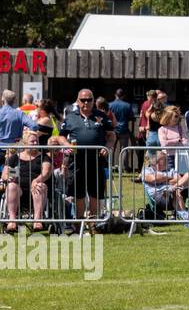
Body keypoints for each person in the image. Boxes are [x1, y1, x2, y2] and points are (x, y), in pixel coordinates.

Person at [50, 89, 115, 232]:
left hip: (96, 160)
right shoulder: (70, 117)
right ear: (78, 101)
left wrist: (107, 147)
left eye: (89, 99)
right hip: (77, 160)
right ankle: (78, 222)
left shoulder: (102, 116)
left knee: (95, 192)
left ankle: (93, 222)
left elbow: (111, 135)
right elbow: (61, 136)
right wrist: (66, 146)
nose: (86, 102)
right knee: (78, 193)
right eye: (83, 100)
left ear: (93, 101)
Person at [4, 127, 51, 232]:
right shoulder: (15, 157)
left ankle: (37, 221)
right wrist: (9, 177)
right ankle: (12, 220)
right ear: (25, 143)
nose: (35, 143)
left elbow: (46, 172)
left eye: (36, 141)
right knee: (11, 186)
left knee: (39, 186)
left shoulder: (44, 157)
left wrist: (37, 180)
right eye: (32, 141)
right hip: (18, 190)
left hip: (36, 190)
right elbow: (5, 173)